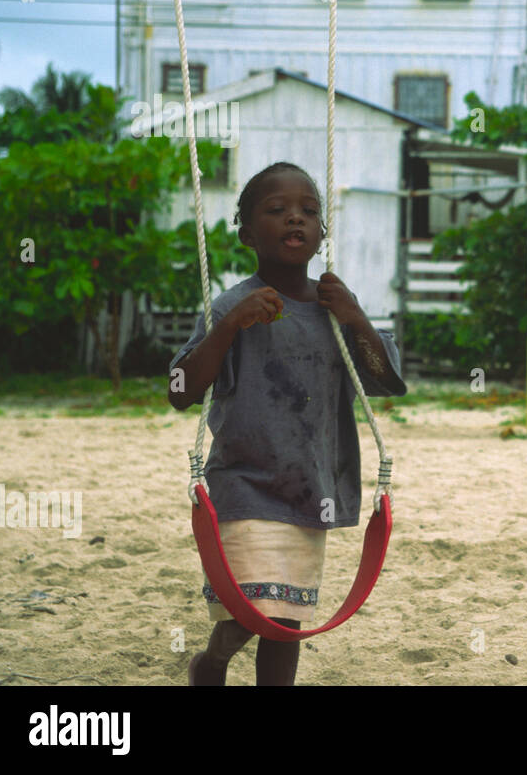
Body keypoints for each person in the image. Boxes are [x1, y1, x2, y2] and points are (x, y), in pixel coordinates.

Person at [169, 161, 407, 686]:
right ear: (249, 233)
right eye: (277, 211)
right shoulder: (232, 306)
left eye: (308, 210)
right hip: (245, 485)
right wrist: (231, 324)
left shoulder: (335, 308)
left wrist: (355, 316)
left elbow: (386, 381)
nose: (295, 219)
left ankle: (213, 668)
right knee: (251, 613)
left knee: (285, 619)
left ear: (323, 231)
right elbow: (180, 392)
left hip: (309, 490)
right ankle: (211, 664)